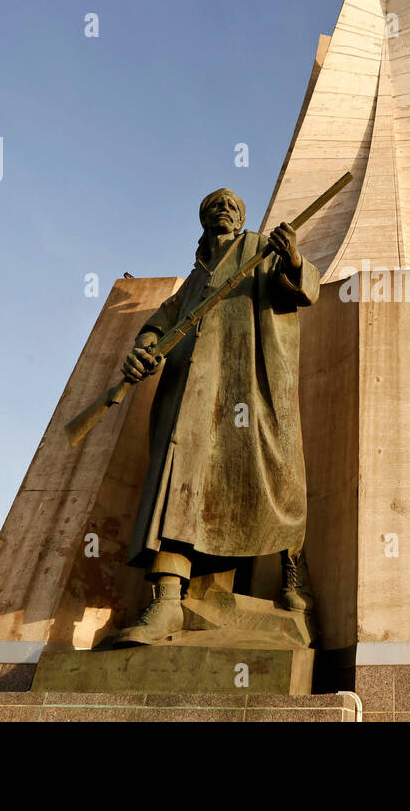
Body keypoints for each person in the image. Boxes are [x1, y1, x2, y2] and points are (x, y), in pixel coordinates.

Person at [112, 187, 320, 646]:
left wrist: (292, 260)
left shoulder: (258, 249)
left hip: (248, 383)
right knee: (177, 484)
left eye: (232, 205)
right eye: (213, 205)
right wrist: (144, 349)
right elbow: (160, 321)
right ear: (203, 219)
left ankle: (291, 573)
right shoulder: (197, 274)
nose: (223, 208)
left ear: (242, 219)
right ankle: (166, 600)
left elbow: (304, 290)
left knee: (276, 475)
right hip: (191, 394)